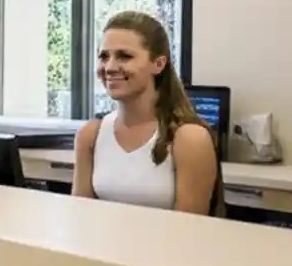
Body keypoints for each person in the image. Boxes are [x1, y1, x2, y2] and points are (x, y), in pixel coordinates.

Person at [72, 11, 223, 216]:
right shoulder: (90, 135)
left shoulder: (189, 139)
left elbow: (189, 235)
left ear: (158, 64)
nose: (110, 67)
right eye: (104, 56)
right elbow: (80, 219)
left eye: (124, 56)